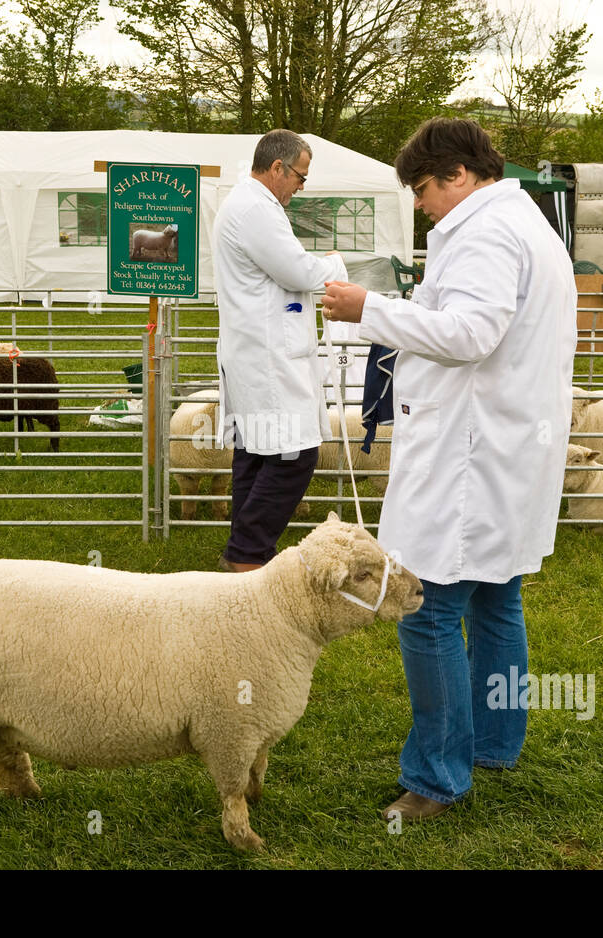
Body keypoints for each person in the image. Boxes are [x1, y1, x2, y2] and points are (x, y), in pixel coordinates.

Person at [320, 117, 576, 823]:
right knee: (497, 600)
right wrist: (385, 311)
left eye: (426, 189)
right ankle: (493, 742)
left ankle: (436, 778)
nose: (423, 203)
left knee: (425, 612)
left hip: (472, 456)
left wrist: (369, 308)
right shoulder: (524, 224)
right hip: (505, 447)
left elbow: (471, 334)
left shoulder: (488, 233)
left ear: (461, 175)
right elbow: (458, 319)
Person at [213, 129, 348, 572]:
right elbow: (296, 270)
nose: (301, 187)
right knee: (295, 454)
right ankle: (248, 553)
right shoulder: (255, 208)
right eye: (300, 177)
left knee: (257, 453)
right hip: (267, 355)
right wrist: (334, 263)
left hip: (259, 350)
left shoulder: (251, 204)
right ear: (277, 168)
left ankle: (244, 550)